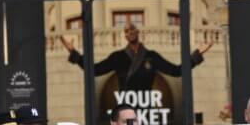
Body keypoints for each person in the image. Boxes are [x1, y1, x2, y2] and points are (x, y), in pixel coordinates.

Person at [63, 24, 210, 90]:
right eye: (126, 31)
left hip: (147, 108)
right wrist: (74, 53)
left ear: (137, 31)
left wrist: (198, 53)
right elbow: (94, 70)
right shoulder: (117, 57)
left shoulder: (151, 56)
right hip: (125, 105)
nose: (130, 32)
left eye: (132, 29)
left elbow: (176, 71)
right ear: (125, 36)